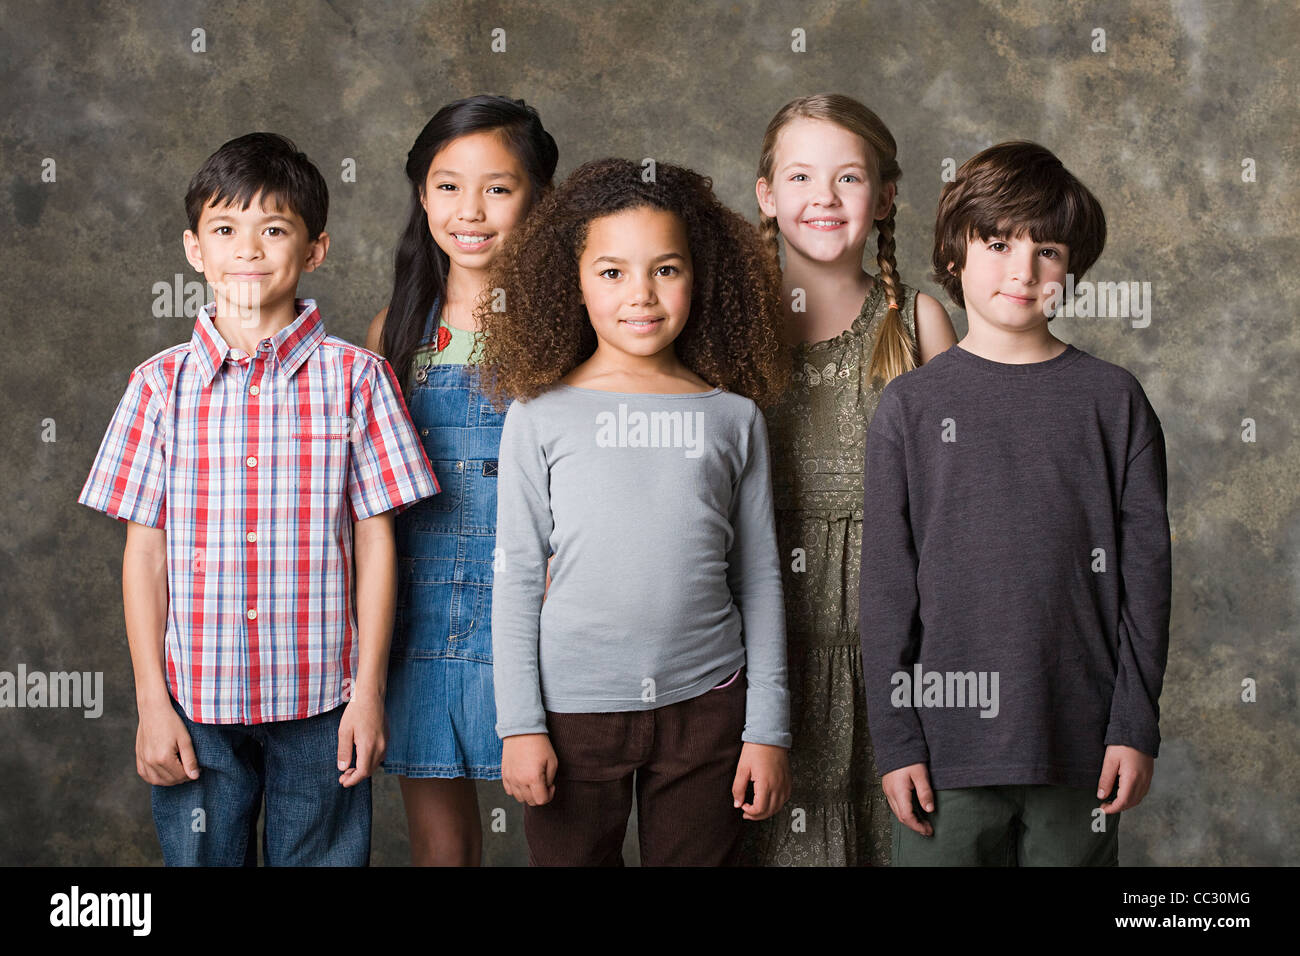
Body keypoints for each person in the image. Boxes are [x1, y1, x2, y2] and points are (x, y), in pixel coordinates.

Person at [78, 132, 438, 865]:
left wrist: (367, 691)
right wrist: (152, 701)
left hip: (323, 699)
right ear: (193, 249)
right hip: (195, 702)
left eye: (274, 229)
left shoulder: (358, 380)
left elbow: (376, 542)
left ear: (315, 250)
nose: (248, 249)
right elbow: (144, 555)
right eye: (225, 229)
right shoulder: (157, 388)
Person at [860, 140, 1172, 866]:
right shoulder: (910, 407)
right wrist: (898, 739)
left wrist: (1133, 725)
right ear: (954, 254)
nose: (1022, 271)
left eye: (1049, 251)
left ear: (1074, 270)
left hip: (1080, 746)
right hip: (945, 755)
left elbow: (1147, 580)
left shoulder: (1113, 400)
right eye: (998, 243)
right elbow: (885, 590)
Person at [481, 157, 793, 866]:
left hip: (708, 708)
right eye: (613, 272)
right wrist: (520, 726)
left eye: (667, 269)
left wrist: (767, 729)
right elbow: (518, 576)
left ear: (699, 276)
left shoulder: (734, 419)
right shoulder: (539, 416)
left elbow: (763, 580)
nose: (642, 295)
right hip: (572, 715)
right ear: (575, 282)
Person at [741, 93, 955, 866]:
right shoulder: (727, 325)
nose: (823, 199)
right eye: (800, 177)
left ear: (887, 195)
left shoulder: (918, 323)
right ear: (767, 195)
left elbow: (951, 512)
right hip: (764, 622)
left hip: (890, 627)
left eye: (849, 179)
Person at [366, 95, 558, 867]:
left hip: (541, 608)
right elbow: (371, 497)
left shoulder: (573, 320)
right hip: (420, 611)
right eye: (448, 185)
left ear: (540, 196)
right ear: (421, 194)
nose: (469, 210)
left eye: (498, 188)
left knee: (561, 831)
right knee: (441, 851)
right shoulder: (396, 328)